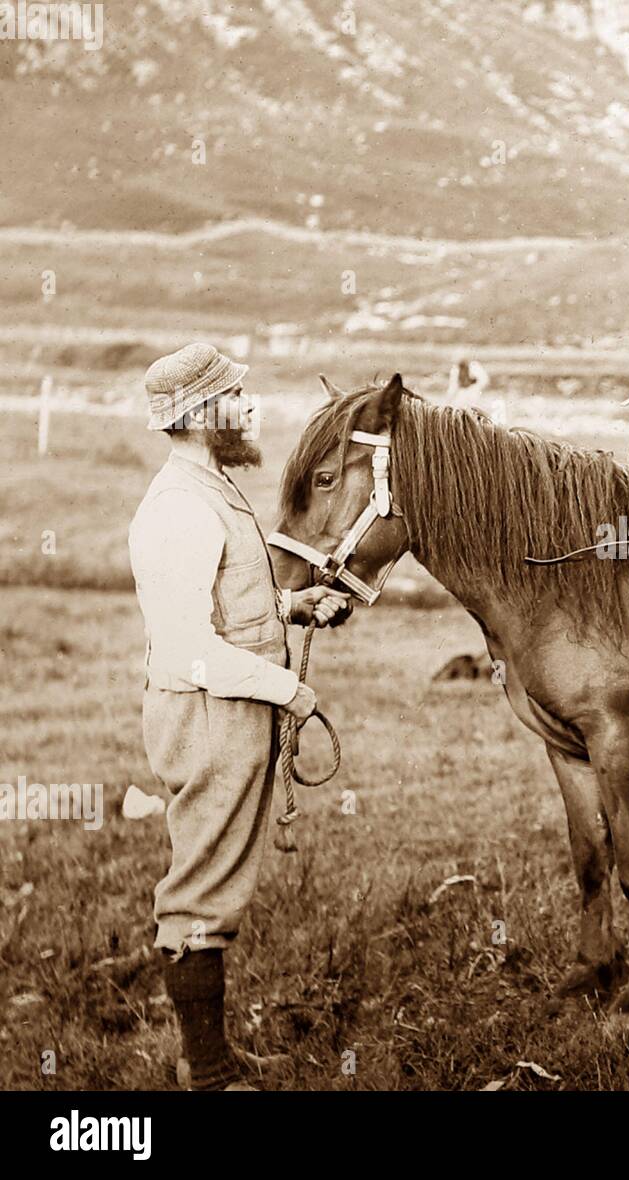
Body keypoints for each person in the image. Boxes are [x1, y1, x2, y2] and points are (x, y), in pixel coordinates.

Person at [128, 343, 350, 1090]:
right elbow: (191, 648)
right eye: (235, 396)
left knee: (215, 888)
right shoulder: (179, 509)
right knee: (199, 896)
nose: (249, 407)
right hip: (209, 715)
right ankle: (211, 1072)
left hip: (231, 707)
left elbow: (220, 609)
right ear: (197, 416)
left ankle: (210, 1057)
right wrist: (291, 690)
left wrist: (290, 607)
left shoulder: (211, 488)